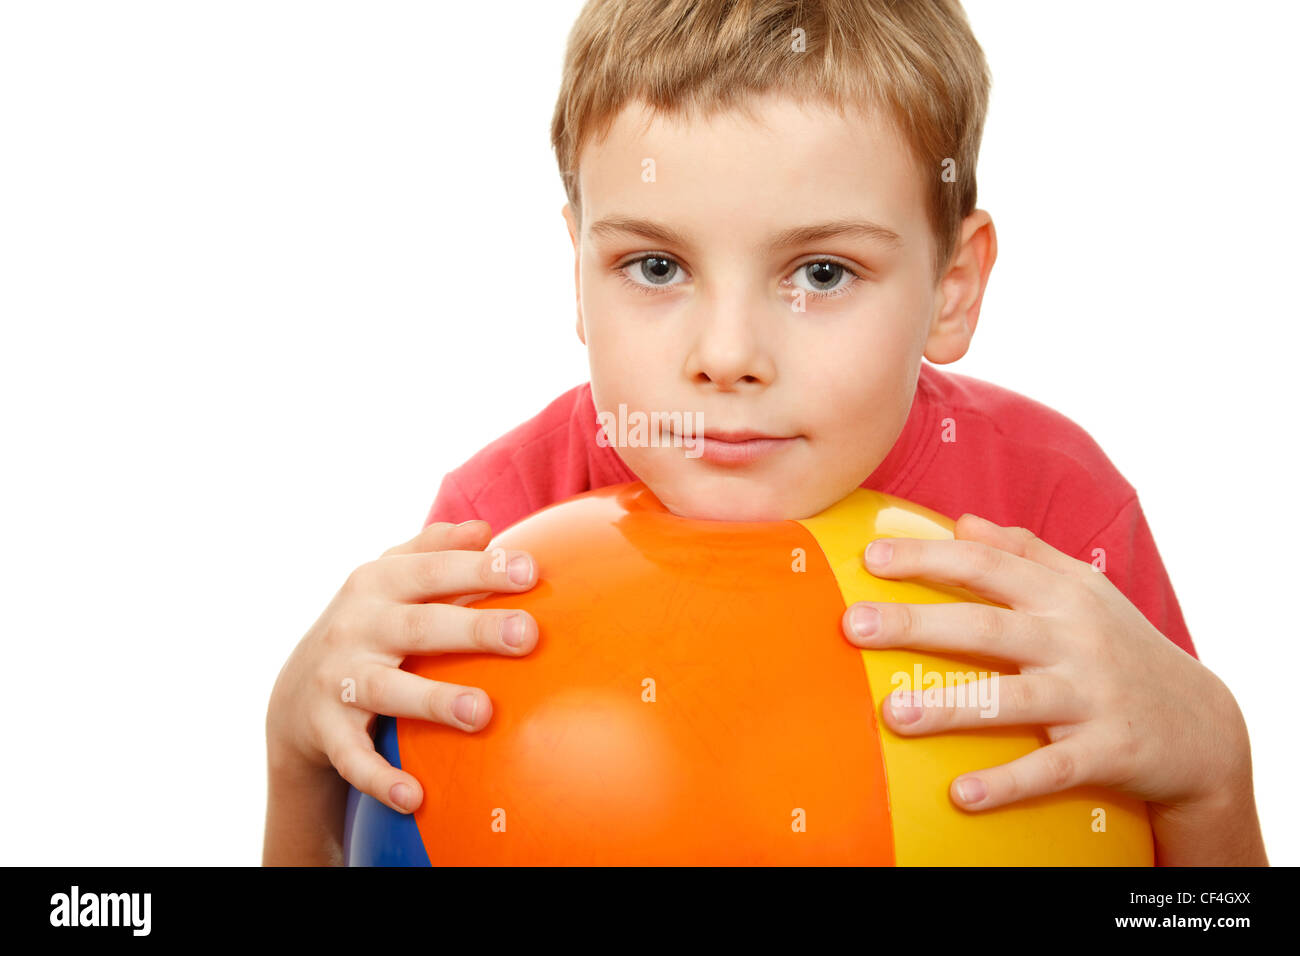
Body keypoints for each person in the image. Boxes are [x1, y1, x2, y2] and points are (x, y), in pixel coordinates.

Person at [263, 0, 1267, 866]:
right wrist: (296, 758)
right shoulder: (496, 538)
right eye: (655, 267)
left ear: (951, 288)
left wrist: (1214, 775)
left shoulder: (1055, 509)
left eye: (821, 272)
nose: (728, 353)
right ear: (577, 272)